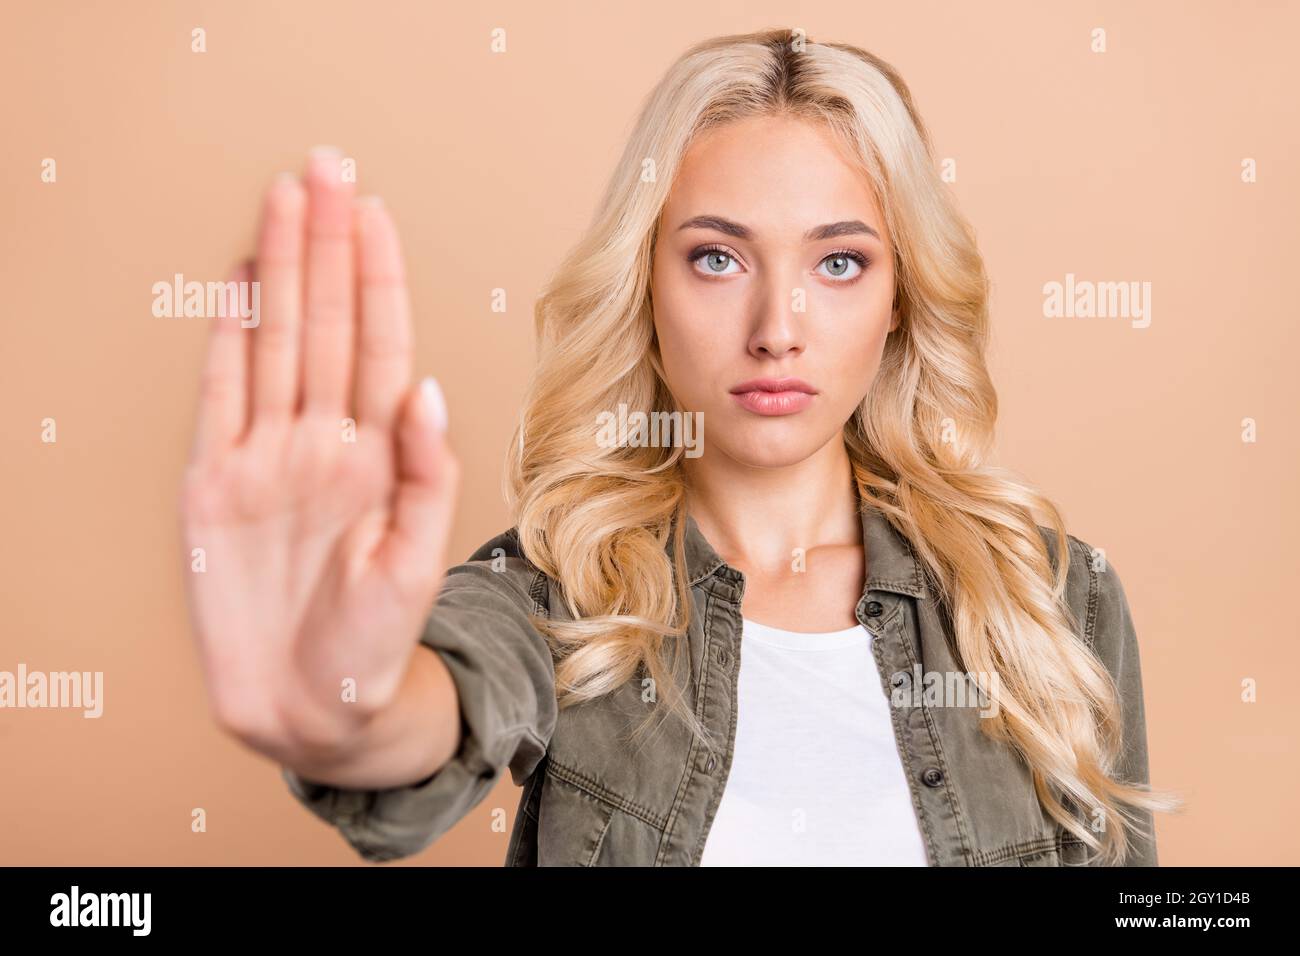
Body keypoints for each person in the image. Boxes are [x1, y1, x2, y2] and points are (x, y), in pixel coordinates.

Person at [180, 26, 1179, 866]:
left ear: (899, 300)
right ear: (645, 286)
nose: (776, 327)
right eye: (716, 257)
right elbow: (436, 700)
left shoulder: (1049, 596)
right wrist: (346, 708)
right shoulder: (562, 591)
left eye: (838, 262)